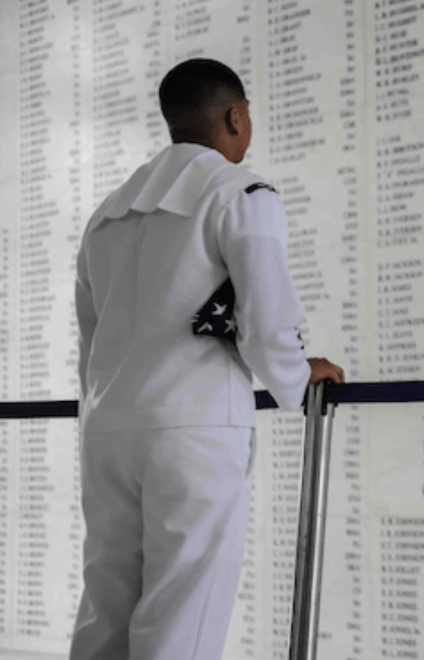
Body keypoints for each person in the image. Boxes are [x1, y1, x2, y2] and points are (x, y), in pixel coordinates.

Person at [71, 58, 344, 659]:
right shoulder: (241, 194)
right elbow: (270, 323)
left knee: (106, 608)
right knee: (182, 615)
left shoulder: (106, 217)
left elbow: (92, 345)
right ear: (234, 116)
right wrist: (302, 378)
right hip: (193, 430)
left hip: (108, 427)